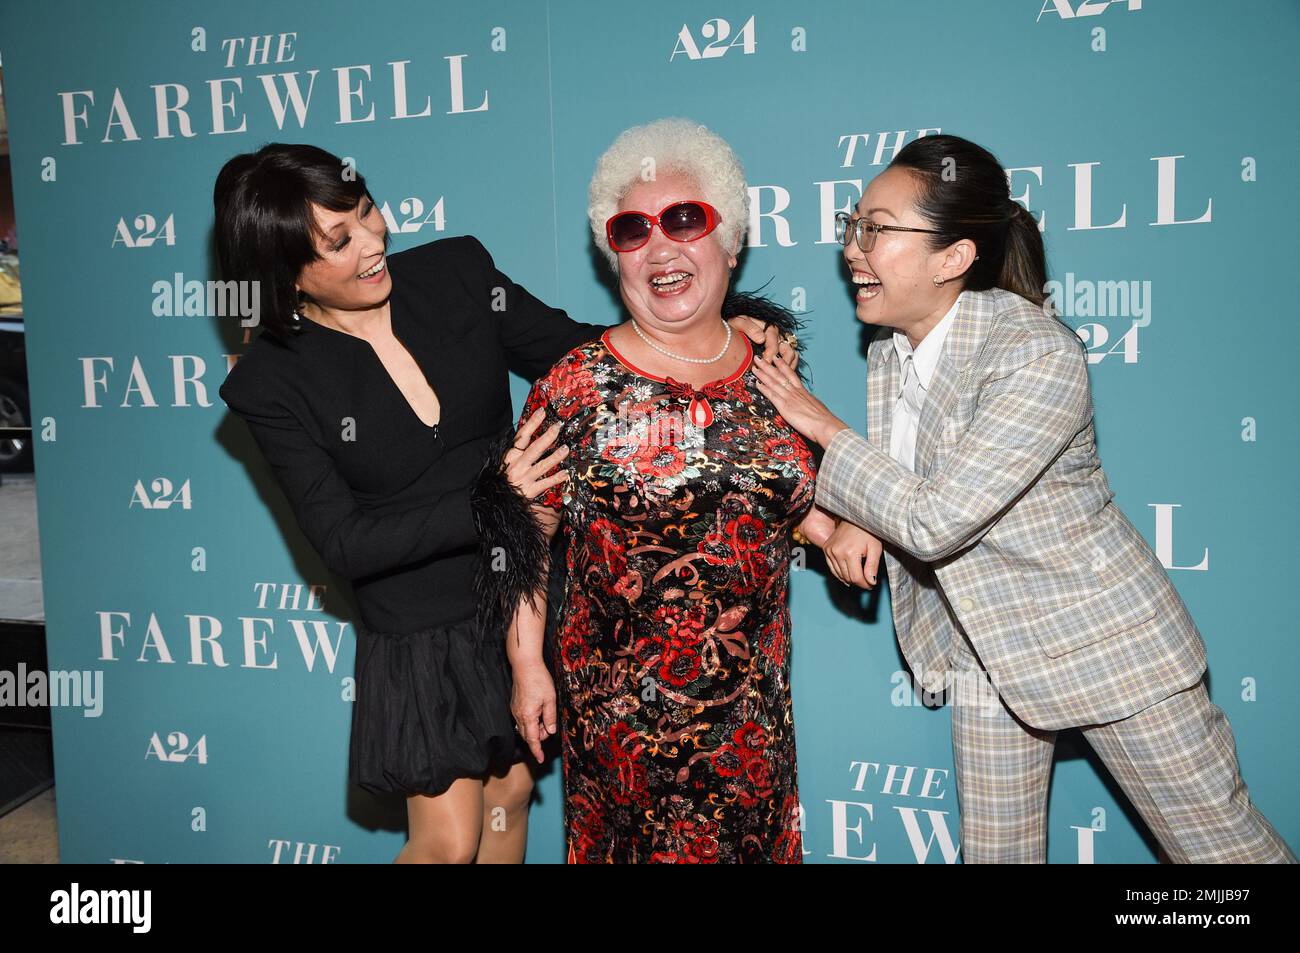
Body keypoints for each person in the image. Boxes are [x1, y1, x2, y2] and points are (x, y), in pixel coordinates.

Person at [213, 142, 798, 863]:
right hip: (418, 628)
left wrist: (714, 327)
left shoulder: (456, 273)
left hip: (517, 590)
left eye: (366, 212)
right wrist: (494, 498)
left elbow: (583, 354)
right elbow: (343, 541)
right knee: (448, 842)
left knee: (509, 801)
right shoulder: (271, 381)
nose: (374, 242)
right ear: (285, 275)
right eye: (339, 241)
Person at [751, 133, 1296, 864]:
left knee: (1225, 858)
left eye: (877, 229)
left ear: (953, 258)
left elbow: (937, 518)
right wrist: (852, 520)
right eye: (854, 223)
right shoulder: (889, 353)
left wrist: (816, 420)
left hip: (1106, 646)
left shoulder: (1037, 352)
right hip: (981, 648)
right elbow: (915, 482)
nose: (854, 246)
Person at [504, 118, 824, 864]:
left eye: (685, 220)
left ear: (731, 241)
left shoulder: (771, 372)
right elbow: (524, 535)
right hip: (622, 740)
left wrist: (848, 532)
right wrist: (526, 665)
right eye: (632, 229)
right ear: (611, 251)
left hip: (752, 732)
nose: (659, 247)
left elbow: (802, 501)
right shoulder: (574, 385)